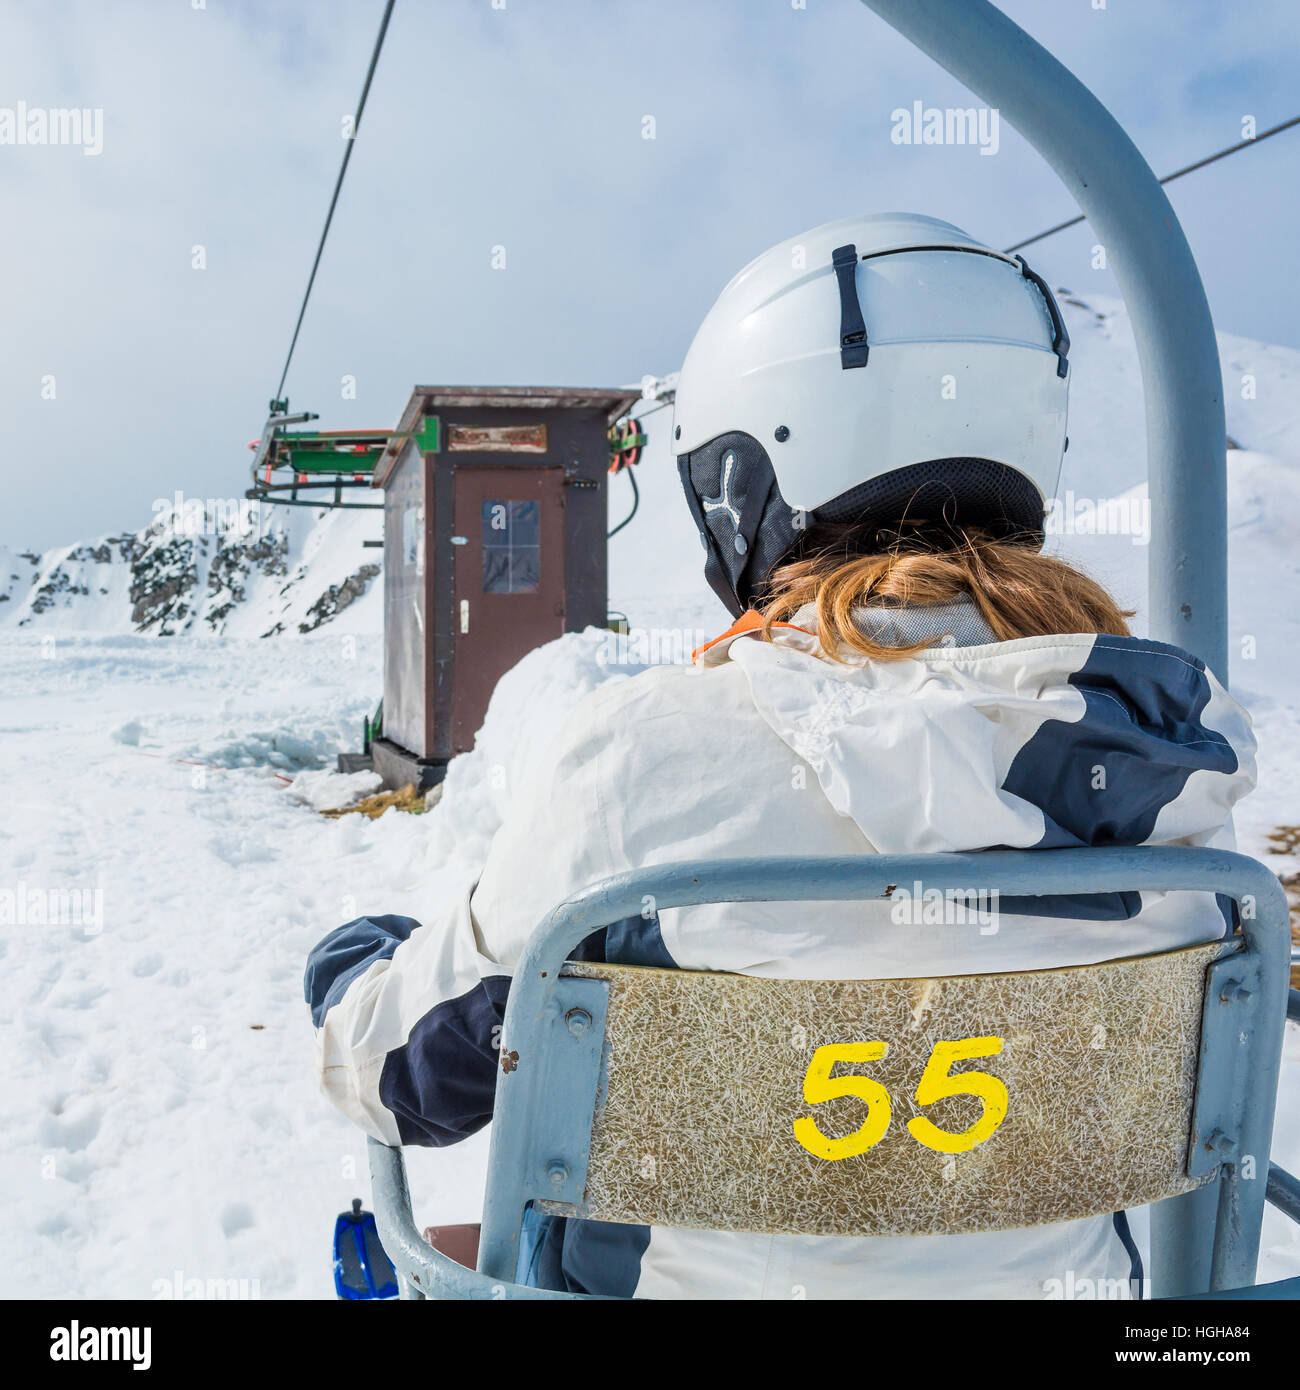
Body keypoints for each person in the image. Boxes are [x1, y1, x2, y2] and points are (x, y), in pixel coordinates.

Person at [305, 213, 1256, 1299]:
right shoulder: (1167, 772)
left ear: (739, 489)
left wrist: (347, 968)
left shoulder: (655, 756)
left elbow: (399, 1077)